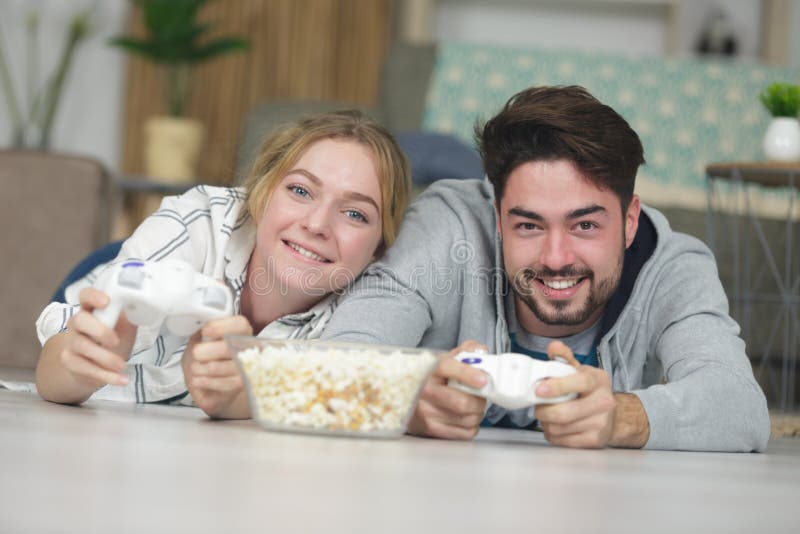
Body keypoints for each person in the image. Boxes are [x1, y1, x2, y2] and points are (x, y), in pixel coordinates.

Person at [320, 86, 771, 452]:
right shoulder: (447, 228)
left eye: (585, 225)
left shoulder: (673, 268)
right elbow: (335, 361)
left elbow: (741, 406)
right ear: (498, 219)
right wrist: (405, 398)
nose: (556, 259)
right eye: (529, 225)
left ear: (630, 221)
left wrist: (623, 417)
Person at [35, 110, 411, 419]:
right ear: (262, 192)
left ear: (378, 248)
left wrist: (235, 393)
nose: (316, 224)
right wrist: (83, 362)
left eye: (355, 214)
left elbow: (330, 402)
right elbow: (54, 373)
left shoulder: (372, 311)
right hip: (97, 285)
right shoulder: (197, 220)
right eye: (300, 190)